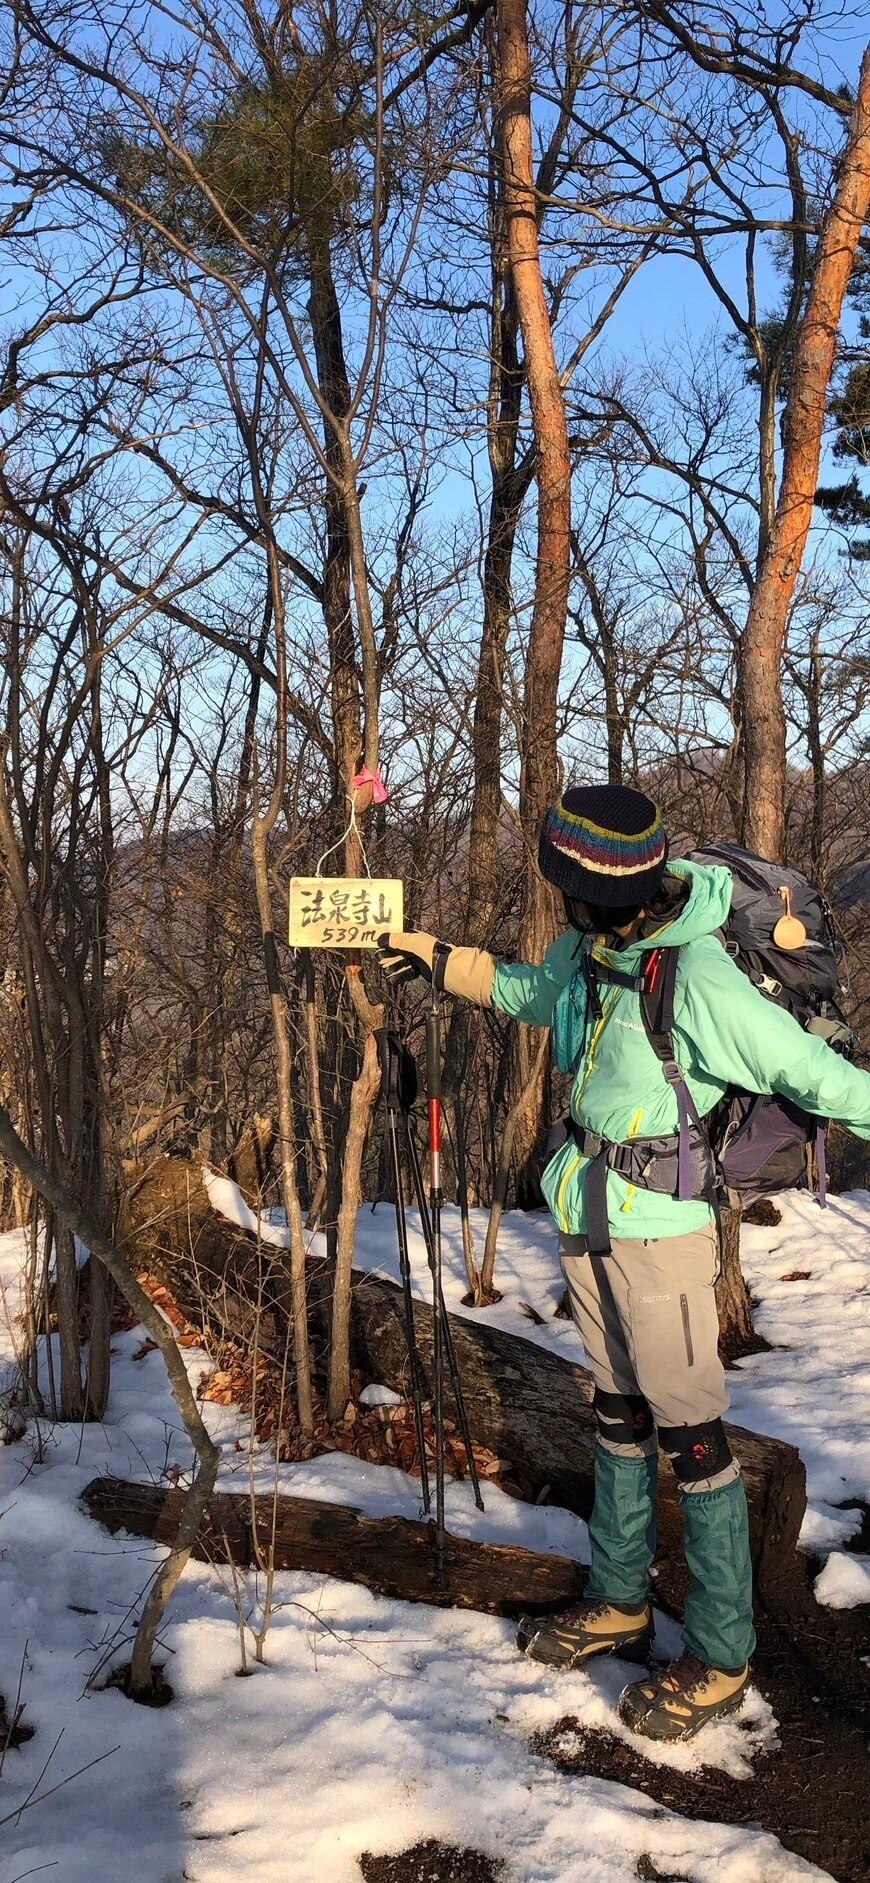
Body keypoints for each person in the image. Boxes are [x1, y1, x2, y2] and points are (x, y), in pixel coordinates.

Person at [378, 783, 870, 1741]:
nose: (557, 899)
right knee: (617, 1416)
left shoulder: (694, 975)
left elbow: (815, 1075)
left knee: (692, 1439)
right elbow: (534, 992)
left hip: (663, 1232)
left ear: (600, 889)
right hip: (590, 1211)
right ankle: (619, 1598)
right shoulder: (595, 950)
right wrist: (436, 958)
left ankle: (724, 1656)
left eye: (566, 884)